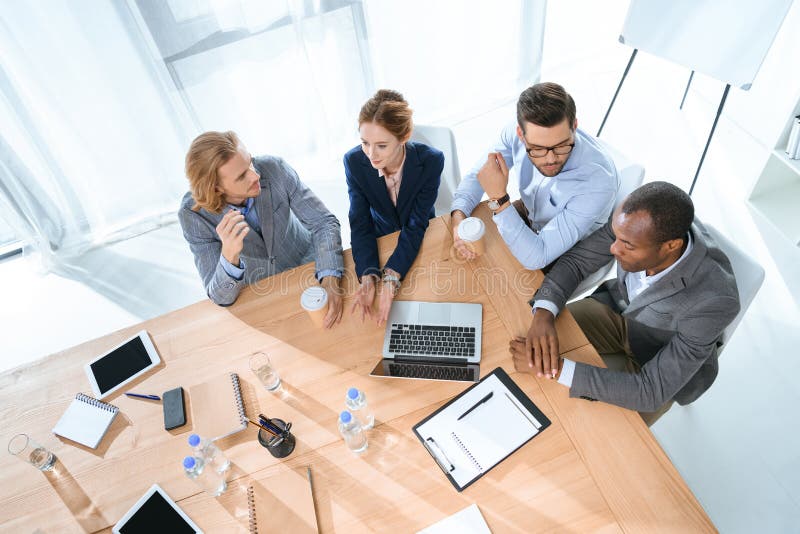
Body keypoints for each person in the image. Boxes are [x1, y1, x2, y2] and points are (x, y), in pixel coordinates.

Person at [510, 181, 740, 425]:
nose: (613, 248)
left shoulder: (715, 301)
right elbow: (576, 263)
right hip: (617, 314)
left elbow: (649, 391)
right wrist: (544, 313)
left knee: (588, 426)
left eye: (627, 245)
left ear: (671, 246)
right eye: (615, 237)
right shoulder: (632, 225)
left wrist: (555, 369)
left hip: (656, 366)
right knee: (529, 341)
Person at [179, 130, 345, 327]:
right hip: (261, 294)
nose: (255, 175)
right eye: (242, 176)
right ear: (216, 188)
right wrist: (229, 255)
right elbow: (220, 297)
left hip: (310, 267)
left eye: (249, 162)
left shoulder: (274, 168)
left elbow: (323, 222)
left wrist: (330, 277)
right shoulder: (193, 215)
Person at [451, 82, 618, 270]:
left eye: (562, 145)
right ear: (521, 134)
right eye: (538, 149)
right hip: (531, 214)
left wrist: (499, 199)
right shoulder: (515, 133)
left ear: (575, 126)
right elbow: (479, 175)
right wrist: (458, 218)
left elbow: (538, 257)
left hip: (565, 250)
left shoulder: (597, 182)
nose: (551, 159)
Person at [344, 89, 444, 324]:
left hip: (422, 237)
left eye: (381, 145)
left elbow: (417, 224)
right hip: (382, 238)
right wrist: (368, 274)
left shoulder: (431, 160)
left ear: (404, 137)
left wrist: (391, 277)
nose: (371, 154)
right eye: (365, 143)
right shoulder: (354, 162)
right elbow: (360, 222)